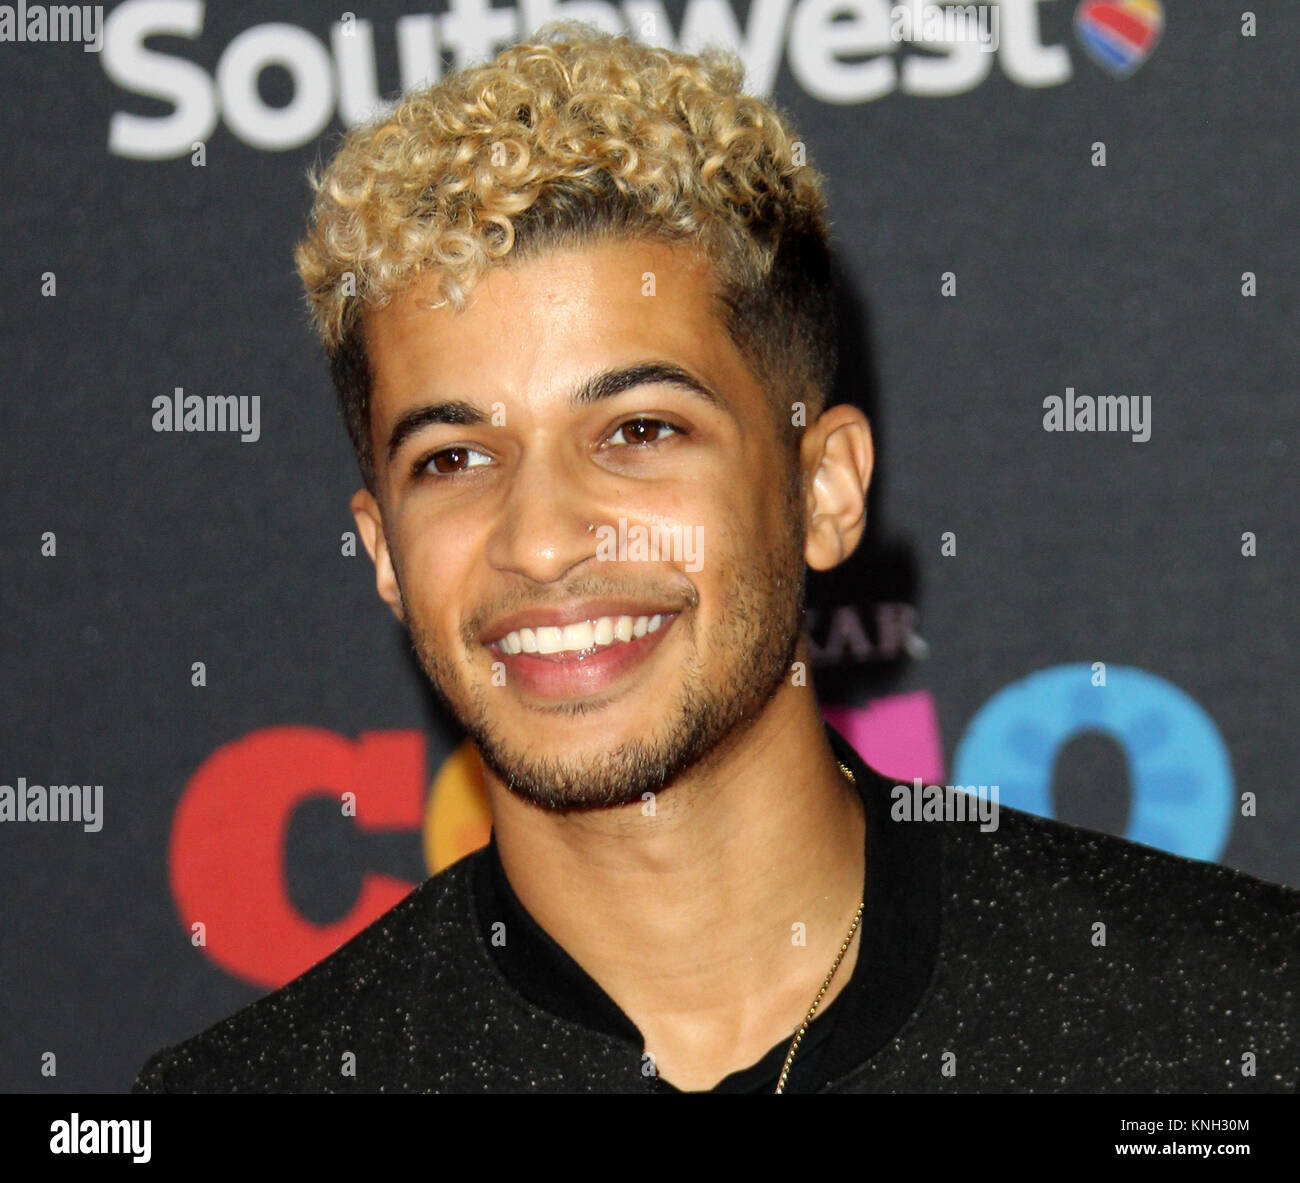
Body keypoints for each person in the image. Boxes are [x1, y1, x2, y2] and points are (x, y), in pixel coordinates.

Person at [132, 22, 1298, 1094]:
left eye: (639, 431)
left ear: (822, 489)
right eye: (454, 458)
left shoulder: (1230, 1022)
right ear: (383, 550)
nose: (540, 539)